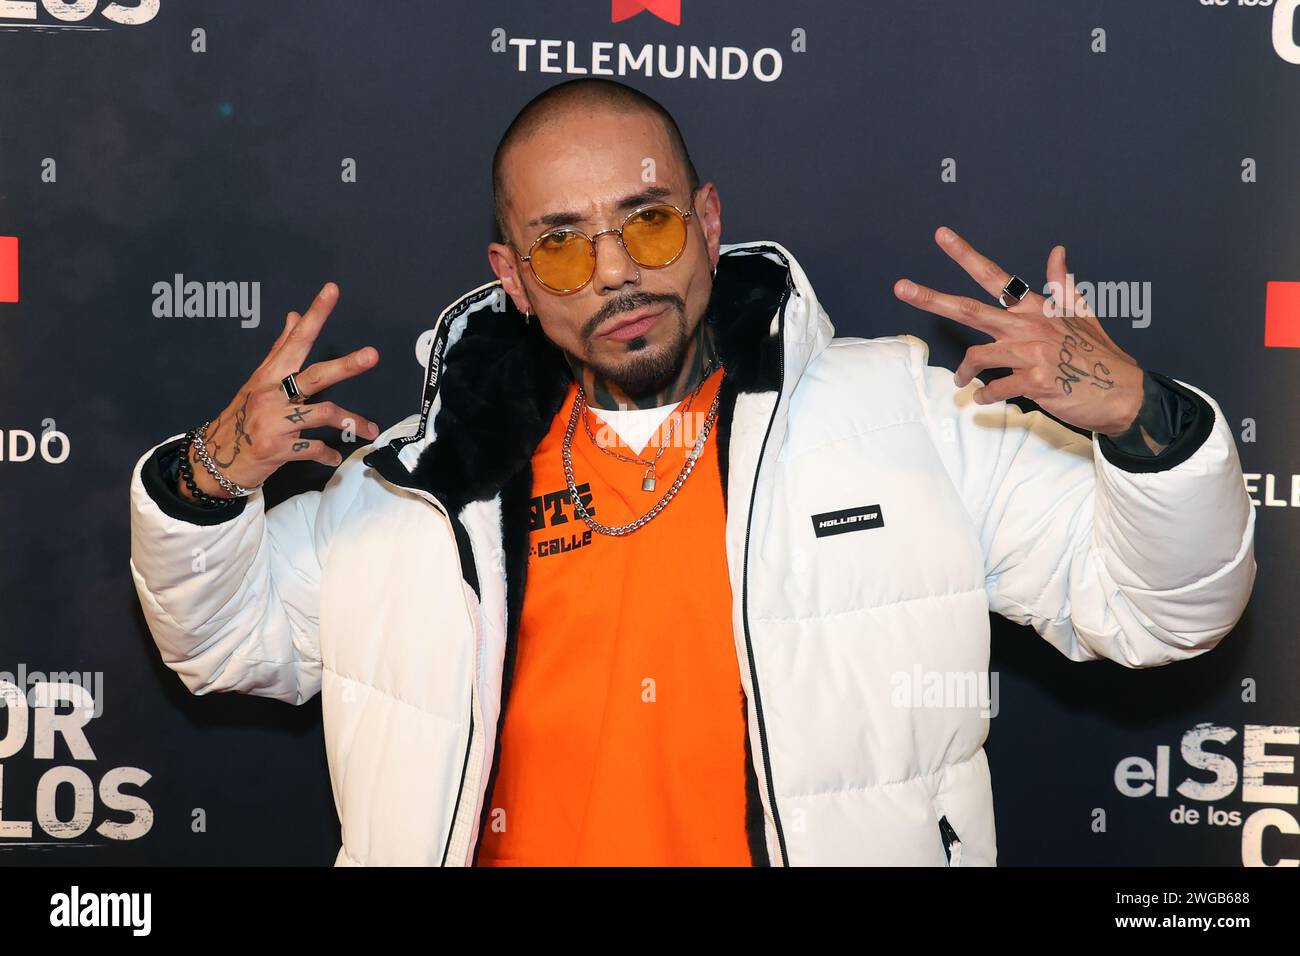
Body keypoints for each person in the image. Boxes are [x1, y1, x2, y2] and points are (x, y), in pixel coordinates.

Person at [128, 77, 1256, 866]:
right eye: (563, 242)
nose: (616, 272)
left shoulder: (910, 417)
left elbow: (1162, 610)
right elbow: (225, 640)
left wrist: (1144, 424)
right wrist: (212, 476)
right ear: (512, 276)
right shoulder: (413, 484)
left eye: (650, 222)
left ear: (710, 223)